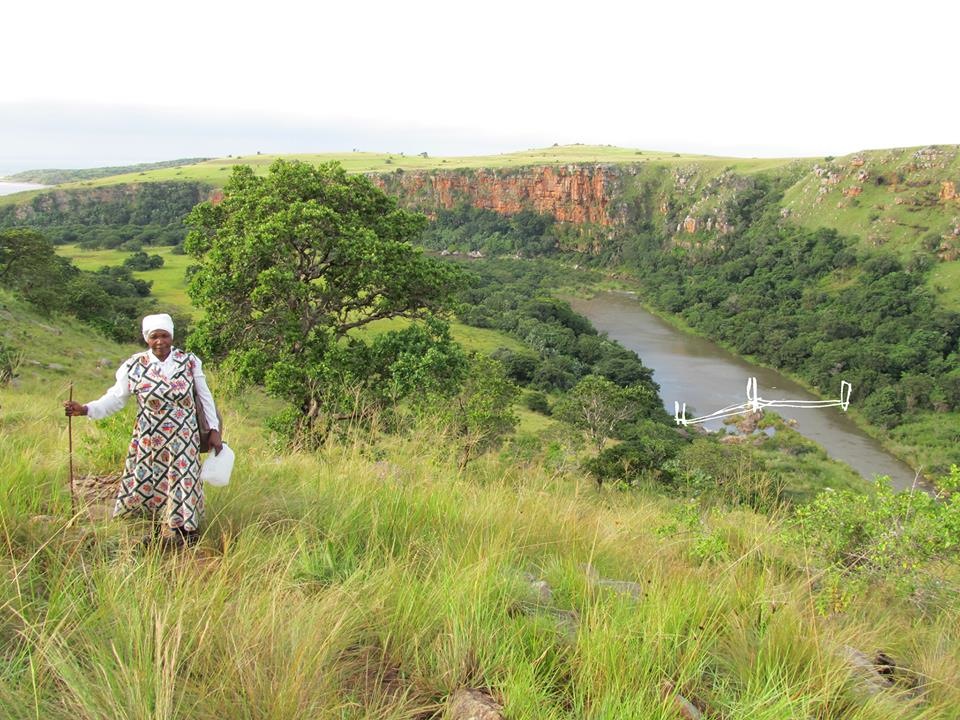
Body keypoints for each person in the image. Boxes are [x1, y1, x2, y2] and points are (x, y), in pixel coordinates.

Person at [64, 313, 222, 547]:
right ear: (146, 339)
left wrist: (214, 429)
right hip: (150, 438)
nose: (160, 341)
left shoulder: (189, 362)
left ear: (172, 336)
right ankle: (151, 533)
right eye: (154, 336)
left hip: (184, 437)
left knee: (184, 481)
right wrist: (86, 409)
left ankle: (186, 534)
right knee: (150, 481)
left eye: (165, 335)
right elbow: (116, 398)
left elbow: (205, 396)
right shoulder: (134, 365)